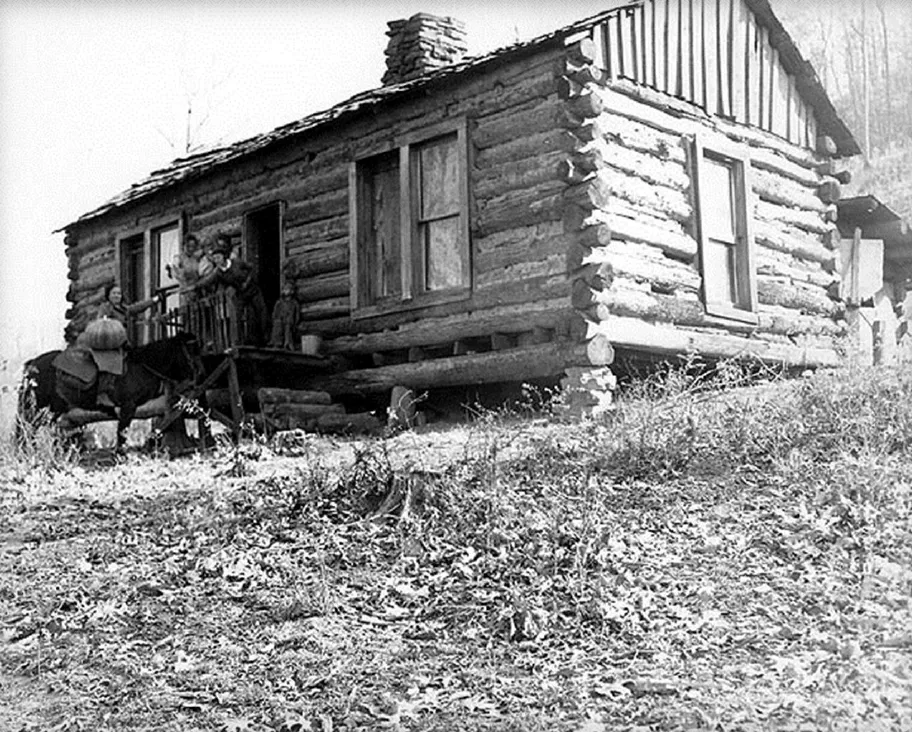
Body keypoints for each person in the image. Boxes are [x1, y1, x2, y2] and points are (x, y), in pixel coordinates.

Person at [195, 233, 268, 346]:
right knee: (236, 315)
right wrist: (196, 286)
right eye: (214, 259)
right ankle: (238, 342)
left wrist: (247, 281)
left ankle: (265, 339)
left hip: (253, 290)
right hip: (240, 294)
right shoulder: (218, 272)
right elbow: (207, 281)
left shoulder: (236, 262)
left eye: (218, 257)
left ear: (224, 257)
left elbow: (251, 268)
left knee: (260, 312)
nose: (217, 261)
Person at [269, 281, 300, 350]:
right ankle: (276, 343)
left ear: (292, 291)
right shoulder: (279, 302)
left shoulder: (294, 303)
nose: (286, 291)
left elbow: (297, 314)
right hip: (280, 320)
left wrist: (296, 322)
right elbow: (275, 313)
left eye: (288, 289)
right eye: (284, 289)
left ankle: (288, 344)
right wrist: (275, 319)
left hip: (289, 321)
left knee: (288, 327)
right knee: (277, 325)